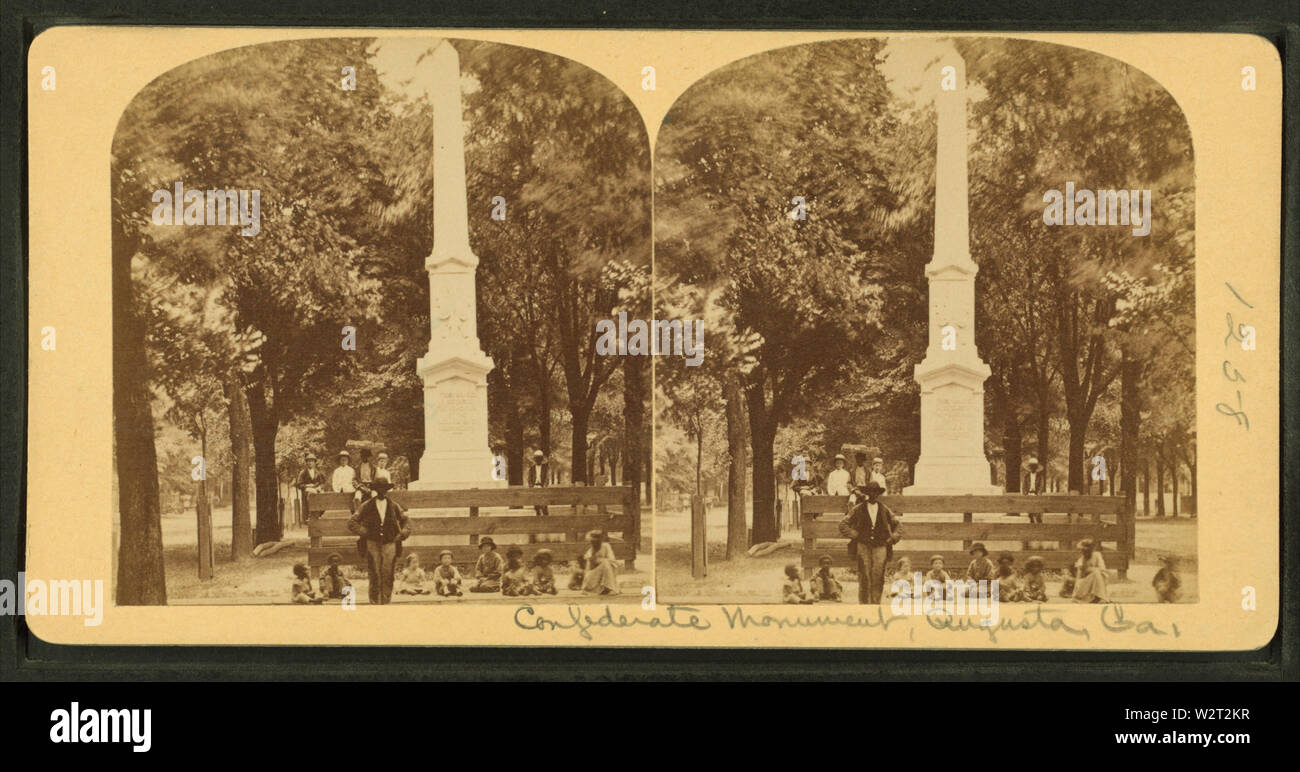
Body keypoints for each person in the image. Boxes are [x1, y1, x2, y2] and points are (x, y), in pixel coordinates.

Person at [346, 478, 410, 605]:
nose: (382, 492)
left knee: (388, 572)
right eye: (379, 489)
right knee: (374, 572)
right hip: (372, 543)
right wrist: (365, 532)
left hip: (390, 542)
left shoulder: (394, 505)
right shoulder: (366, 505)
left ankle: (386, 601)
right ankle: (374, 602)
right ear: (375, 490)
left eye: (384, 489)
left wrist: (402, 534)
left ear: (387, 490)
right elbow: (352, 522)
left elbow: (406, 521)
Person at [837, 480, 901, 604]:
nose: (873, 495)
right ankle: (864, 604)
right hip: (863, 545)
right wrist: (853, 534)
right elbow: (843, 524)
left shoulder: (884, 509)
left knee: (878, 575)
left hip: (880, 546)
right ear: (866, 493)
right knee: (864, 575)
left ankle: (876, 603)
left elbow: (898, 525)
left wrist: (893, 538)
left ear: (878, 494)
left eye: (875, 492)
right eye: (871, 492)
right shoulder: (858, 508)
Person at [569, 530, 620, 595]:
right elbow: (589, 569)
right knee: (605, 563)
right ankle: (607, 588)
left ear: (600, 541)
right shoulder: (590, 551)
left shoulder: (606, 546)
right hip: (592, 578)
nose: (594, 543)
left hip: (605, 574)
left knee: (606, 563)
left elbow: (613, 561)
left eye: (597, 541)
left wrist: (600, 560)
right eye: (592, 542)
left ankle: (609, 587)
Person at [1071, 538, 1109, 603]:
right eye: (1080, 550)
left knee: (1097, 573)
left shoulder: (1097, 555)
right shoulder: (1081, 560)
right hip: (1085, 584)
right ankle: (1101, 597)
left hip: (1098, 580)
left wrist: (1091, 569)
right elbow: (1079, 577)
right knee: (1096, 573)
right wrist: (1075, 593)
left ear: (1088, 550)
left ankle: (1099, 596)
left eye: (1082, 550)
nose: (1081, 552)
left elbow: (1103, 569)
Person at [295, 454, 326, 523]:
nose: (310, 463)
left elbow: (323, 483)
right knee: (311, 495)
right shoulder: (303, 473)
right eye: (308, 461)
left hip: (317, 490)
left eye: (312, 461)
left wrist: (319, 487)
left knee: (323, 495)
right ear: (306, 463)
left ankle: (320, 513)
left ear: (315, 463)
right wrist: (307, 486)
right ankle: (310, 515)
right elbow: (299, 484)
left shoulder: (318, 473)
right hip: (307, 492)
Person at [1023, 458, 1045, 523]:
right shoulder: (1026, 476)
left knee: (1038, 510)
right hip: (1029, 494)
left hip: (1037, 494)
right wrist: (1025, 494)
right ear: (1029, 467)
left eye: (1034, 466)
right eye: (1031, 466)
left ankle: (1039, 522)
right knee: (1030, 511)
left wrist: (1038, 494)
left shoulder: (1040, 476)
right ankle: (1031, 522)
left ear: (1036, 467)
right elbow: (1024, 486)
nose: (1033, 468)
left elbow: (1041, 486)